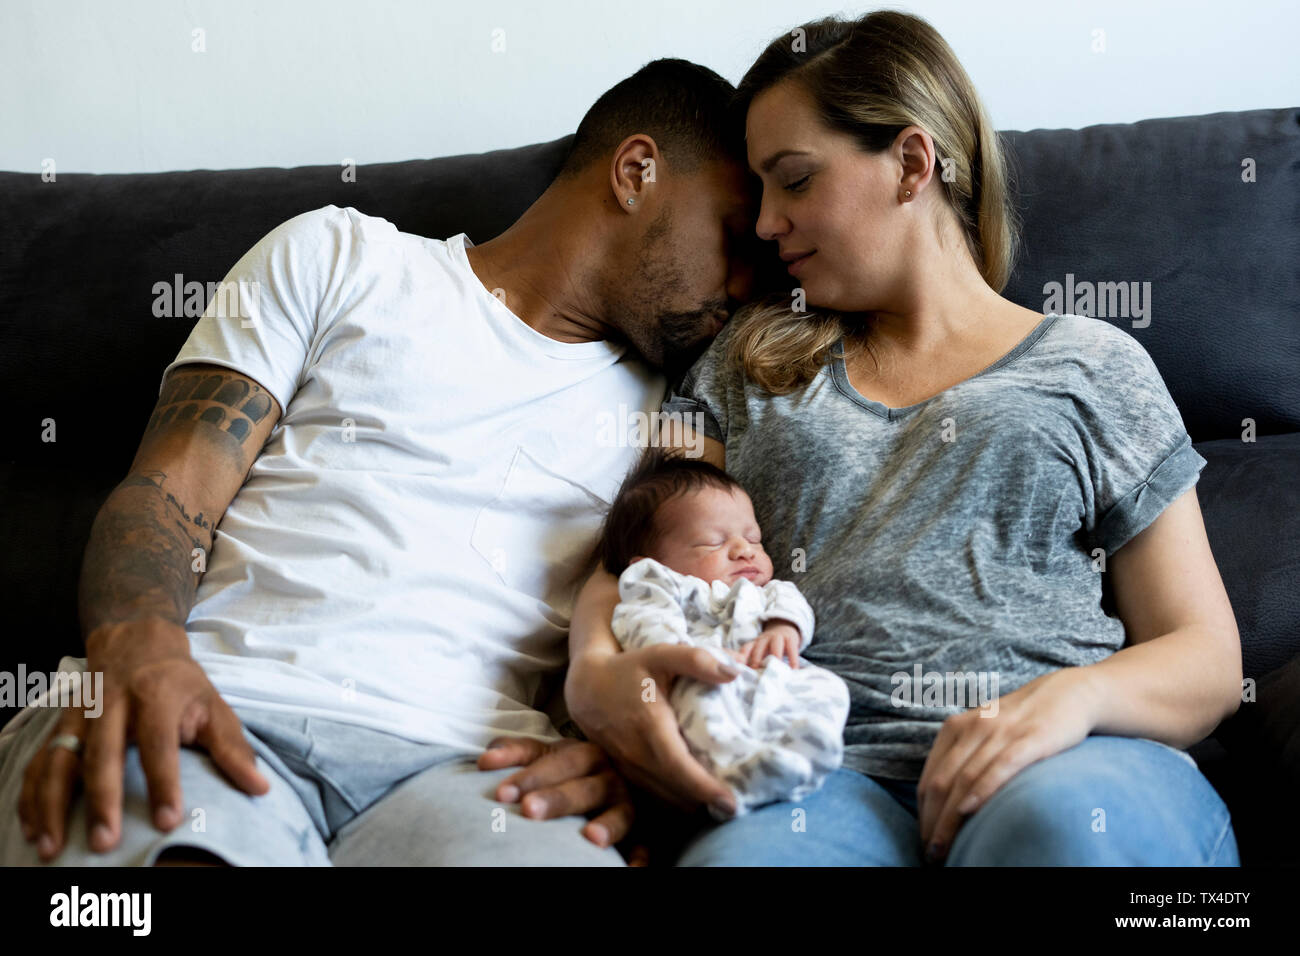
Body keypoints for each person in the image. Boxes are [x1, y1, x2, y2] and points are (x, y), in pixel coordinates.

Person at [0, 57, 760, 867]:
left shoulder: (680, 419)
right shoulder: (340, 256)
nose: (747, 285)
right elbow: (166, 492)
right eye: (733, 238)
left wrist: (621, 755)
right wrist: (137, 647)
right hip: (220, 704)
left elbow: (668, 616)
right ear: (636, 171)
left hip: (479, 775)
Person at [561, 12, 1243, 866]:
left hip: (1069, 760)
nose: (767, 223)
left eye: (795, 181)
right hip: (817, 774)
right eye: (759, 192)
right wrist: (591, 673)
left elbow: (1208, 658)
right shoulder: (745, 358)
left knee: (1059, 837)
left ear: (913, 163)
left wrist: (1070, 702)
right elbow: (634, 552)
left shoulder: (1094, 364)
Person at [600, 449, 850, 819]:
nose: (744, 551)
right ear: (649, 564)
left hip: (773, 677)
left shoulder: (767, 592)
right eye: (713, 542)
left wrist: (783, 626)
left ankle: (800, 756)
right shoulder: (665, 586)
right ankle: (732, 777)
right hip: (701, 674)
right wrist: (681, 655)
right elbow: (644, 621)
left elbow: (792, 602)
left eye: (754, 539)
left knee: (828, 687)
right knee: (702, 706)